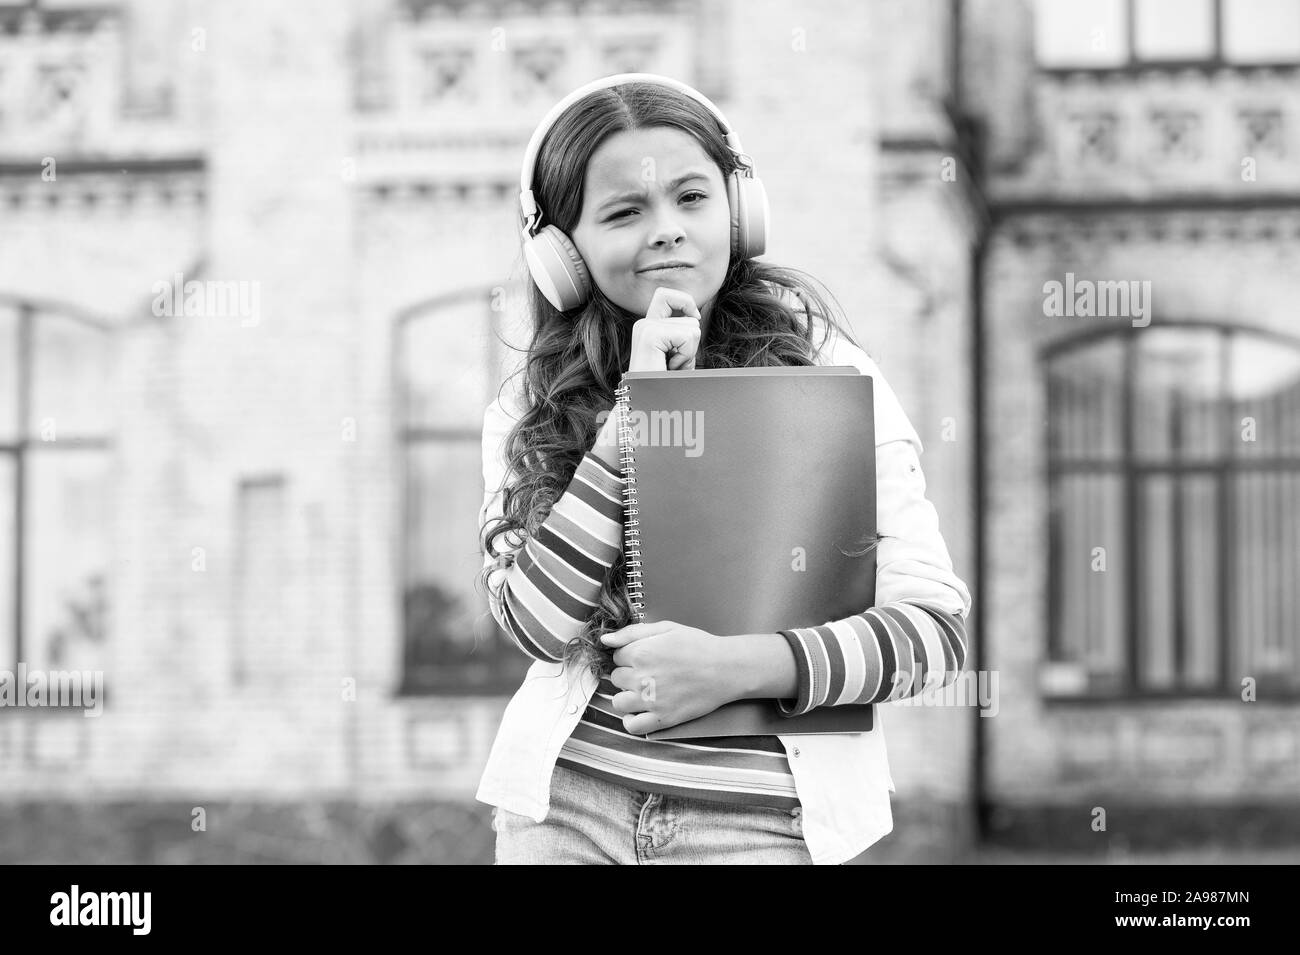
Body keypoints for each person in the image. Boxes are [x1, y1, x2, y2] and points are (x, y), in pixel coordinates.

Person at [475, 73, 972, 865]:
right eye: (624, 211)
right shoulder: (527, 404)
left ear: (740, 211)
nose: (667, 230)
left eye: (692, 198)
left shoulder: (832, 377)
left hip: (757, 828)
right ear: (562, 254)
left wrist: (732, 668)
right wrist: (635, 417)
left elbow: (935, 637)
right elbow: (535, 626)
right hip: (568, 812)